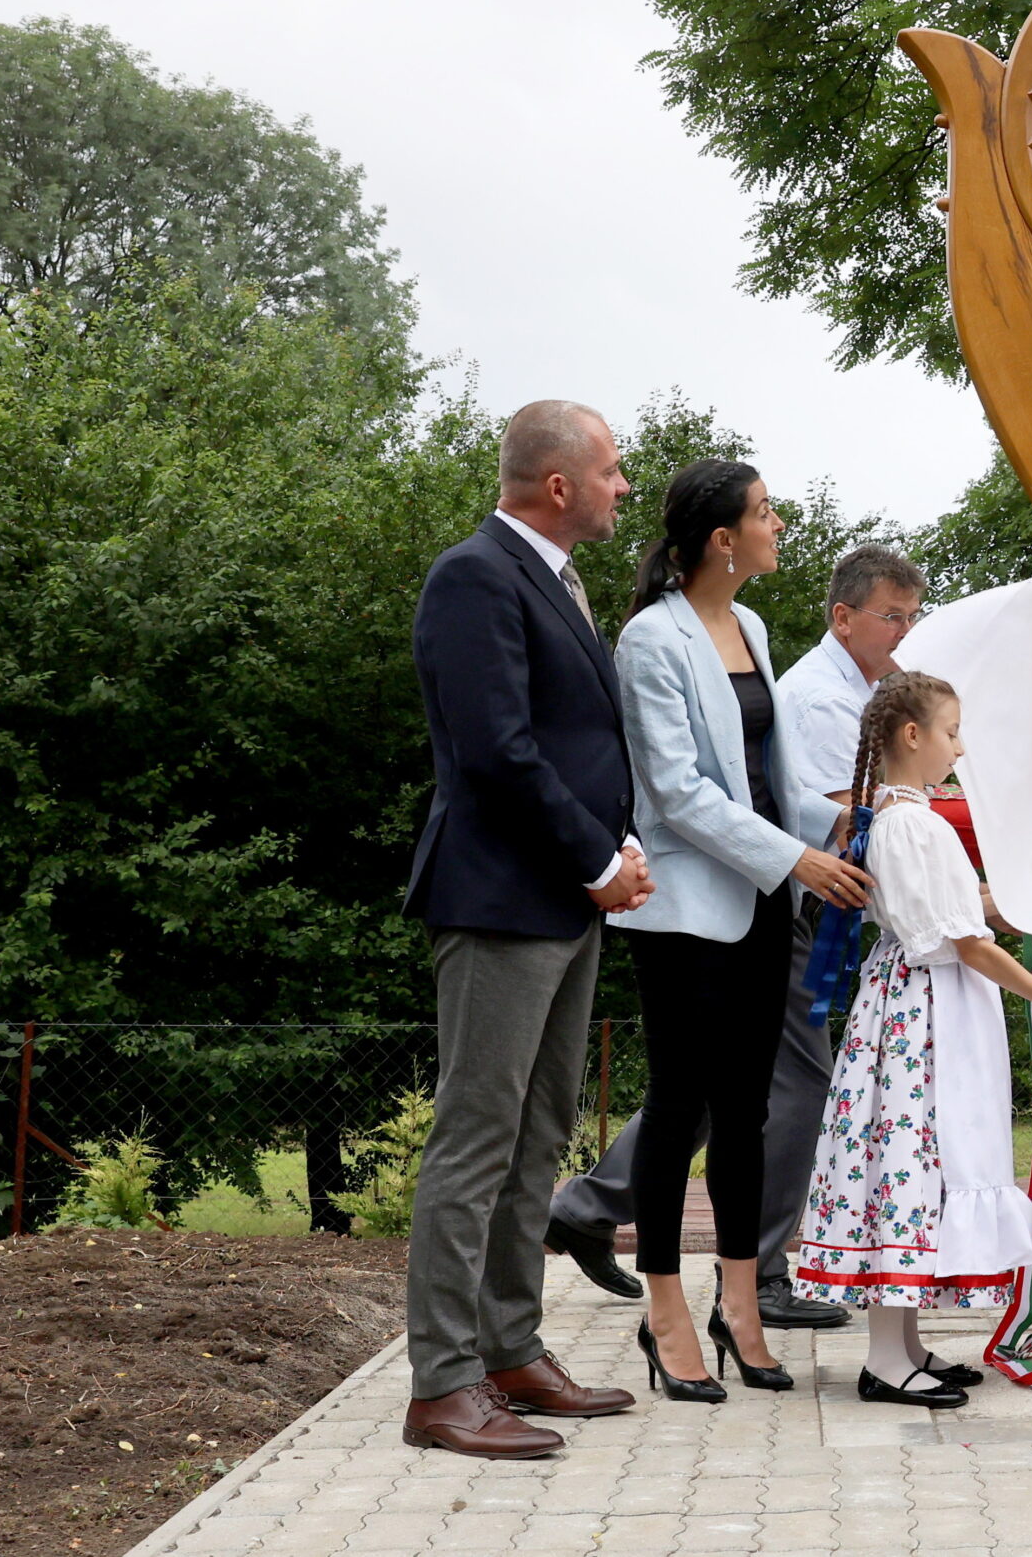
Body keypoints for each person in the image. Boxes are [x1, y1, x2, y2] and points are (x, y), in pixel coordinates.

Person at [546, 542, 926, 1332]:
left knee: (728, 1087)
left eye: (912, 617)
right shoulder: (818, 696)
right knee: (791, 1086)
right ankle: (760, 1270)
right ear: (844, 616)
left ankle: (591, 1208)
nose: (904, 631)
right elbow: (766, 798)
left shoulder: (768, 640)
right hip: (768, 896)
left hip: (787, 898)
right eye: (893, 616)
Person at [398, 400, 648, 1459]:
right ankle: (441, 1385)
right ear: (558, 485)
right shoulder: (475, 576)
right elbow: (496, 751)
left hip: (563, 902)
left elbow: (575, 740)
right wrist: (597, 860)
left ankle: (508, 1350)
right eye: (611, 471)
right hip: (504, 899)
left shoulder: (552, 581)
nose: (623, 487)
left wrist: (615, 853)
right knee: (477, 1140)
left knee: (539, 1136)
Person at [604, 461, 878, 1404]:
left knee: (750, 1115)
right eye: (764, 513)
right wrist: (797, 860)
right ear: (723, 539)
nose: (777, 524)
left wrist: (846, 822)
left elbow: (773, 778)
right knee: (679, 1109)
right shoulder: (651, 641)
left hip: (763, 900)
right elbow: (677, 796)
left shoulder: (753, 628)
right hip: (688, 913)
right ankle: (665, 1314)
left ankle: (744, 1308)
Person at [792, 671, 1032, 1406]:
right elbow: (964, 940)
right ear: (914, 736)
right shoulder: (910, 824)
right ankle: (883, 1358)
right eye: (952, 731)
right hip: (923, 1015)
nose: (959, 747)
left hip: (925, 1003)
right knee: (907, 1163)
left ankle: (901, 1345)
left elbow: (966, 912)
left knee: (920, 1165)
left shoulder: (906, 820)